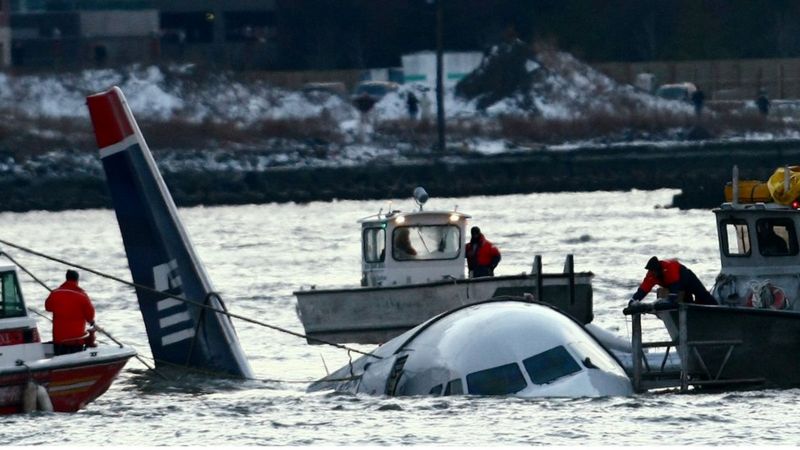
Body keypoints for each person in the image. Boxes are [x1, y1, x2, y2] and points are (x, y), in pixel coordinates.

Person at [45, 269, 97, 355]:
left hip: (59, 340)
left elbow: (48, 307)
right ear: (77, 280)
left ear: (66, 278)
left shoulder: (55, 293)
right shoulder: (82, 296)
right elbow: (90, 316)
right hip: (76, 340)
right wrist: (91, 321)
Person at [629, 256, 717, 306]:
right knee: (687, 303)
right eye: (651, 271)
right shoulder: (651, 274)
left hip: (688, 278)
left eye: (653, 271)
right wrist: (633, 300)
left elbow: (674, 289)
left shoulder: (669, 268)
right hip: (678, 286)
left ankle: (717, 308)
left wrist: (669, 301)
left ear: (658, 268)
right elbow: (643, 289)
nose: (652, 273)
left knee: (702, 295)